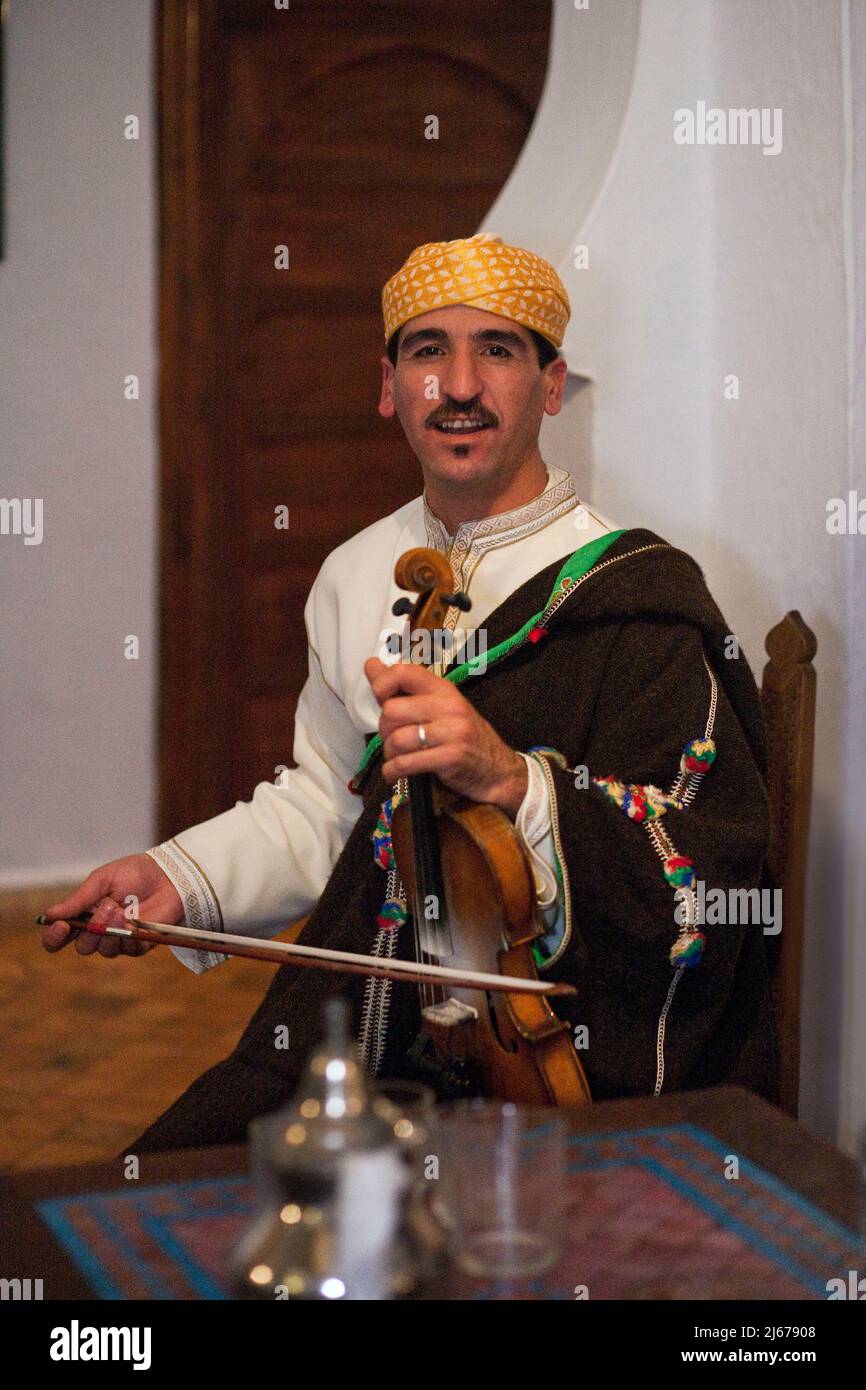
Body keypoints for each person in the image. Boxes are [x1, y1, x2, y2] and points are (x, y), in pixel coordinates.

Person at [42, 233, 778, 1150]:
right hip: (372, 1031)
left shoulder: (637, 598)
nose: (459, 385)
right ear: (389, 386)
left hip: (559, 1059)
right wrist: (180, 880)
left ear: (551, 387)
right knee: (177, 1190)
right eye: (429, 350)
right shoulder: (353, 573)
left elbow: (709, 860)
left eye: (498, 349)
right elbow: (331, 810)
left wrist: (514, 780)